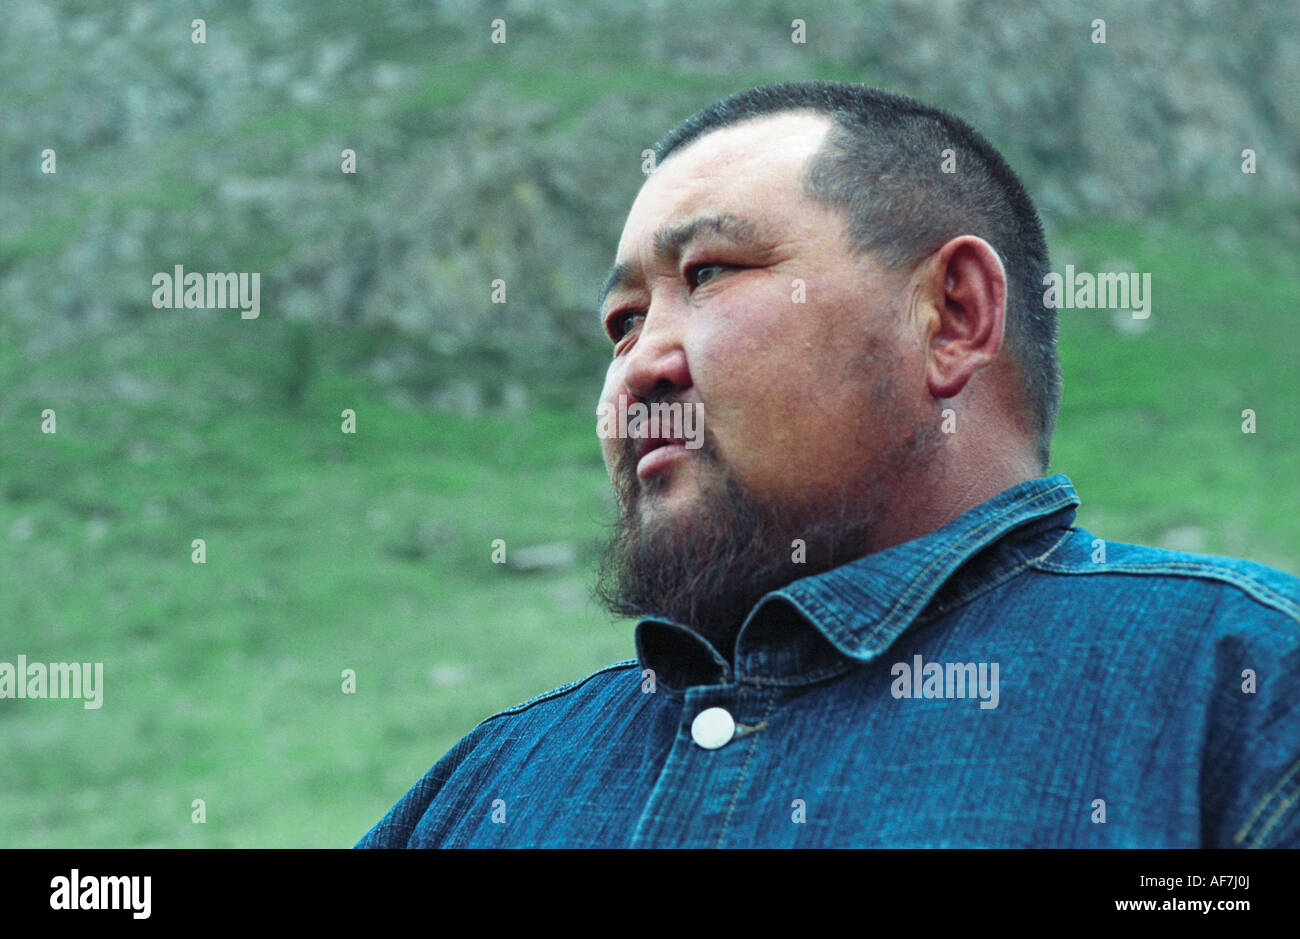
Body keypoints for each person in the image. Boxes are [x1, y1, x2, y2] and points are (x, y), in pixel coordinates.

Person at [357, 81, 1299, 848]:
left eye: (709, 274)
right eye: (623, 322)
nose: (637, 366)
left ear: (954, 316)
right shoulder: (485, 788)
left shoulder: (1244, 691)